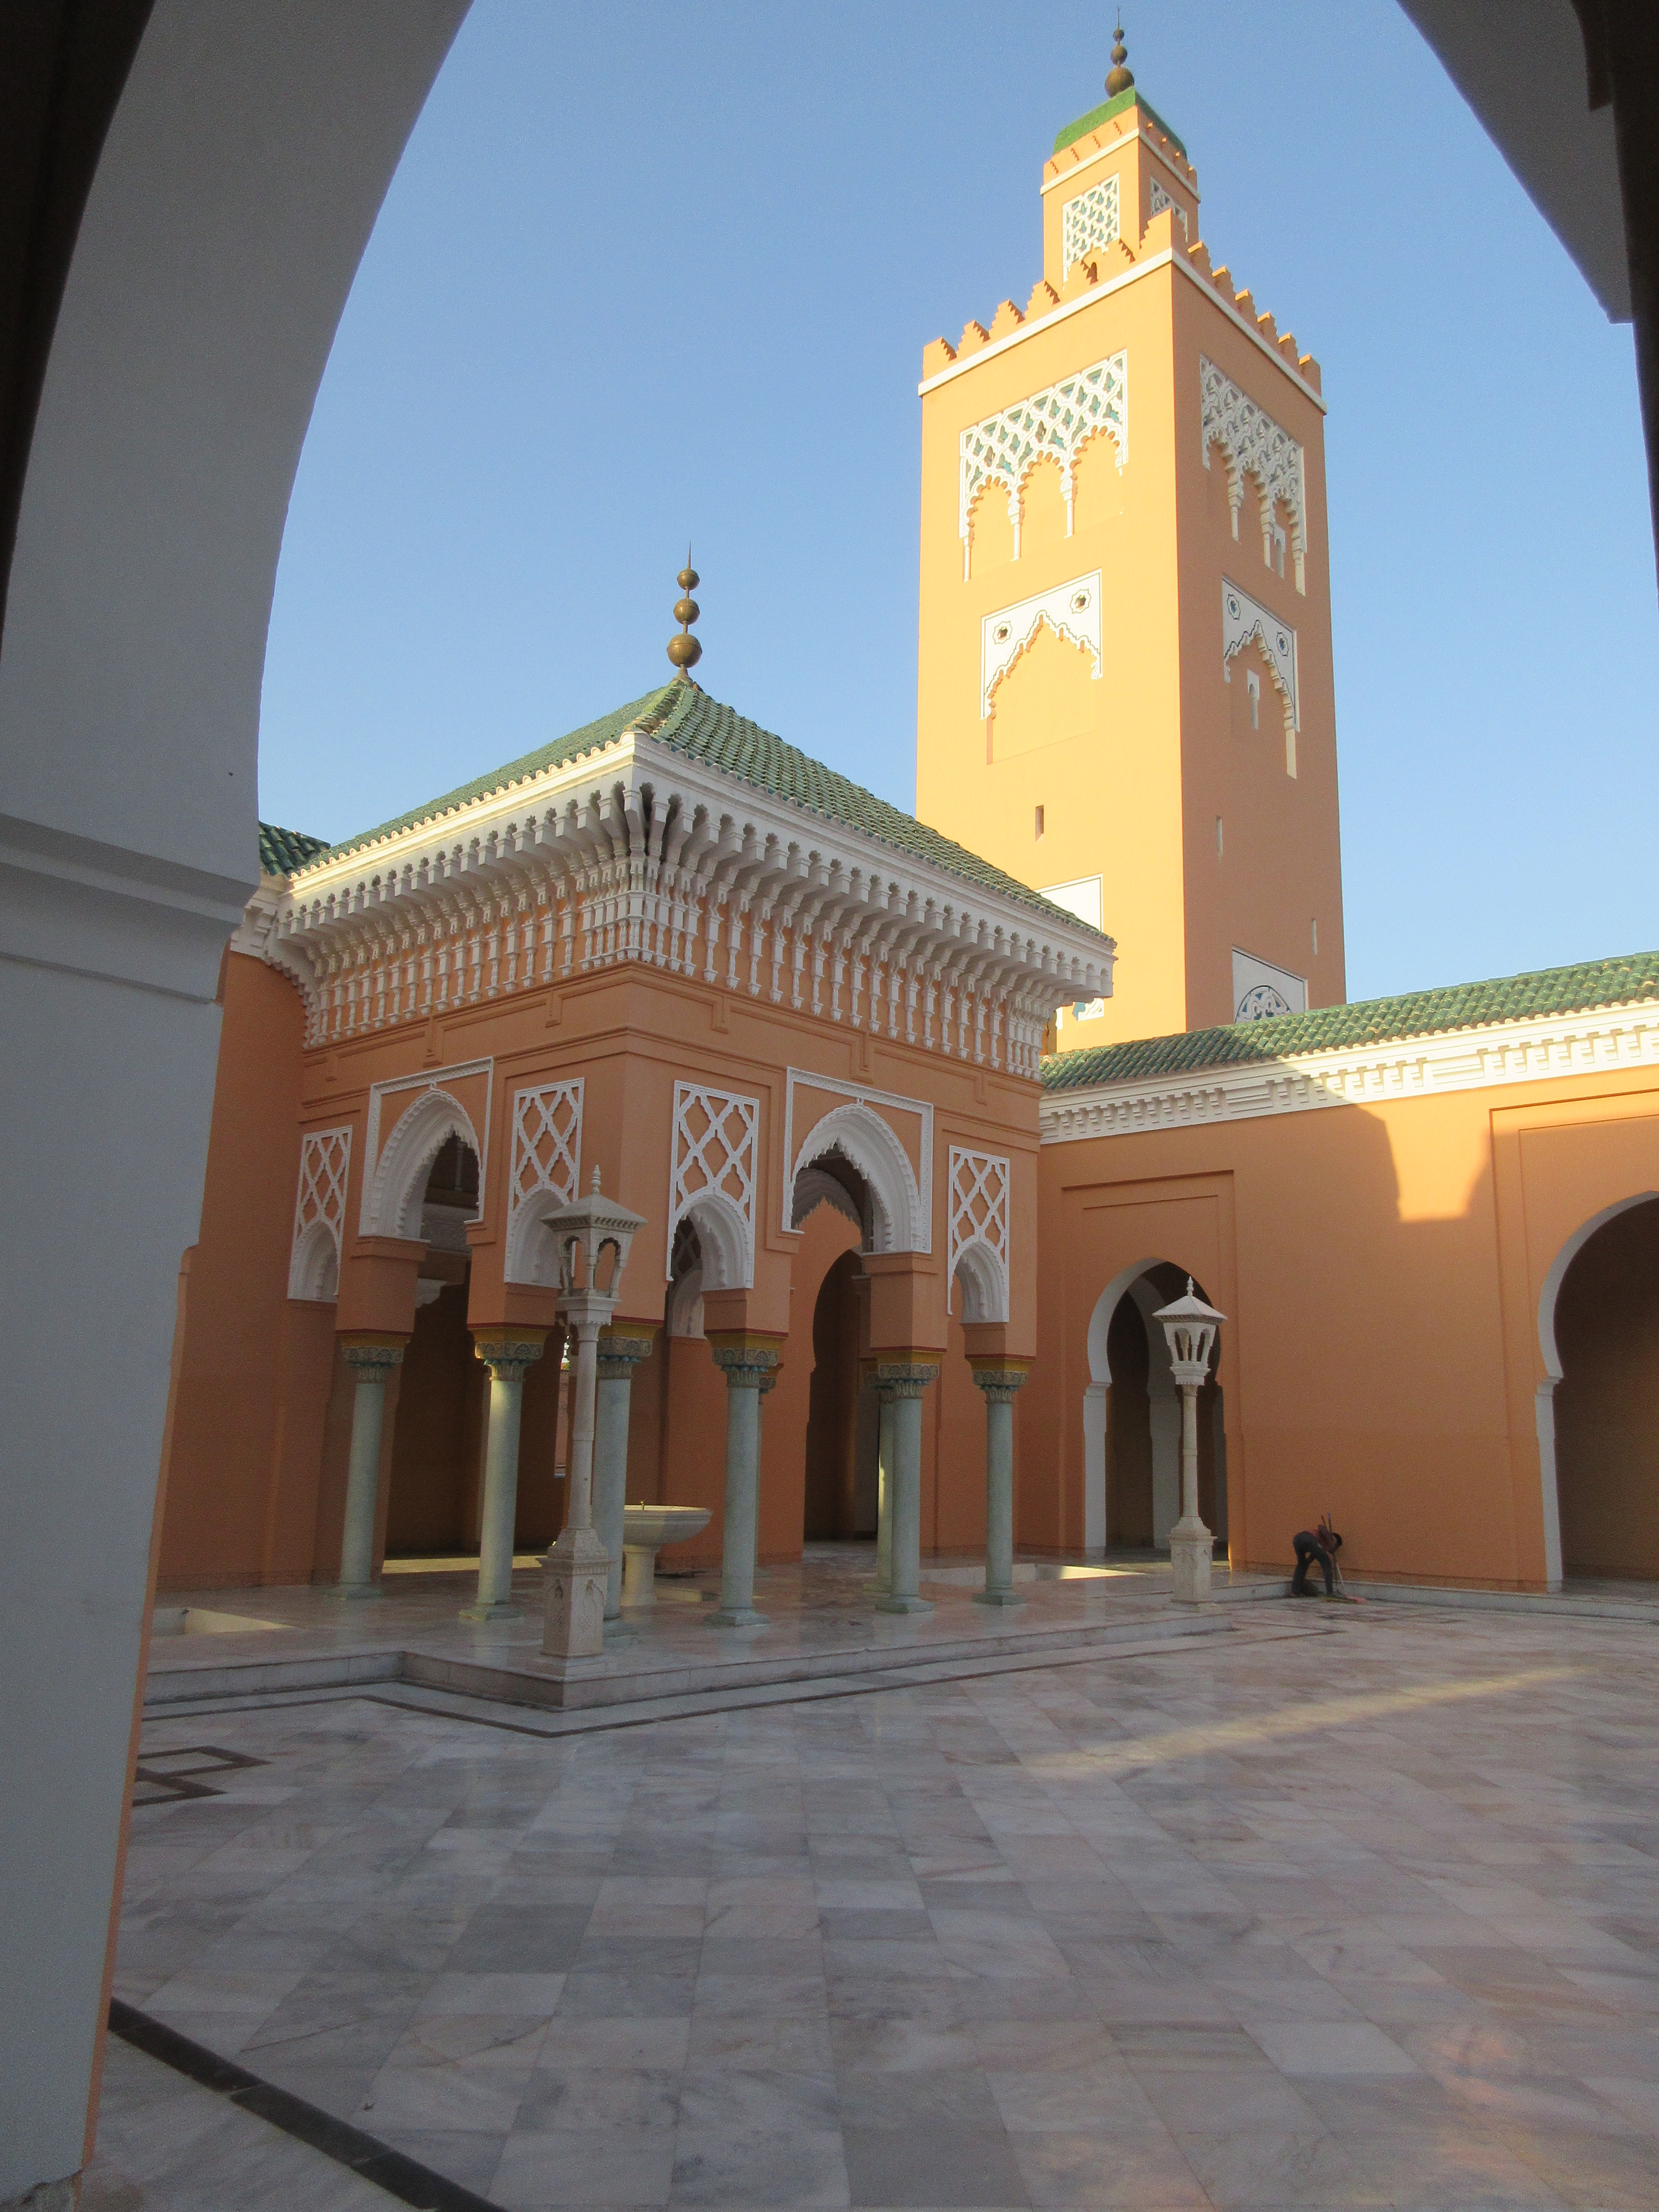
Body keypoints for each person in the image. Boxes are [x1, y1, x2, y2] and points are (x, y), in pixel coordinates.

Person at [1291, 1517, 1341, 1597]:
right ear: (1335, 1543)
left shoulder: (1321, 1547)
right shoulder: (1328, 1537)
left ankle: (1295, 1592)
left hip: (1298, 1540)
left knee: (1302, 1564)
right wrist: (1331, 1542)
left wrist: (1307, 1563)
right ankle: (1330, 1592)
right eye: (1336, 1548)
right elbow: (1321, 1527)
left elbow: (1313, 1556)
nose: (1334, 1551)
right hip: (1308, 1538)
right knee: (1327, 1563)